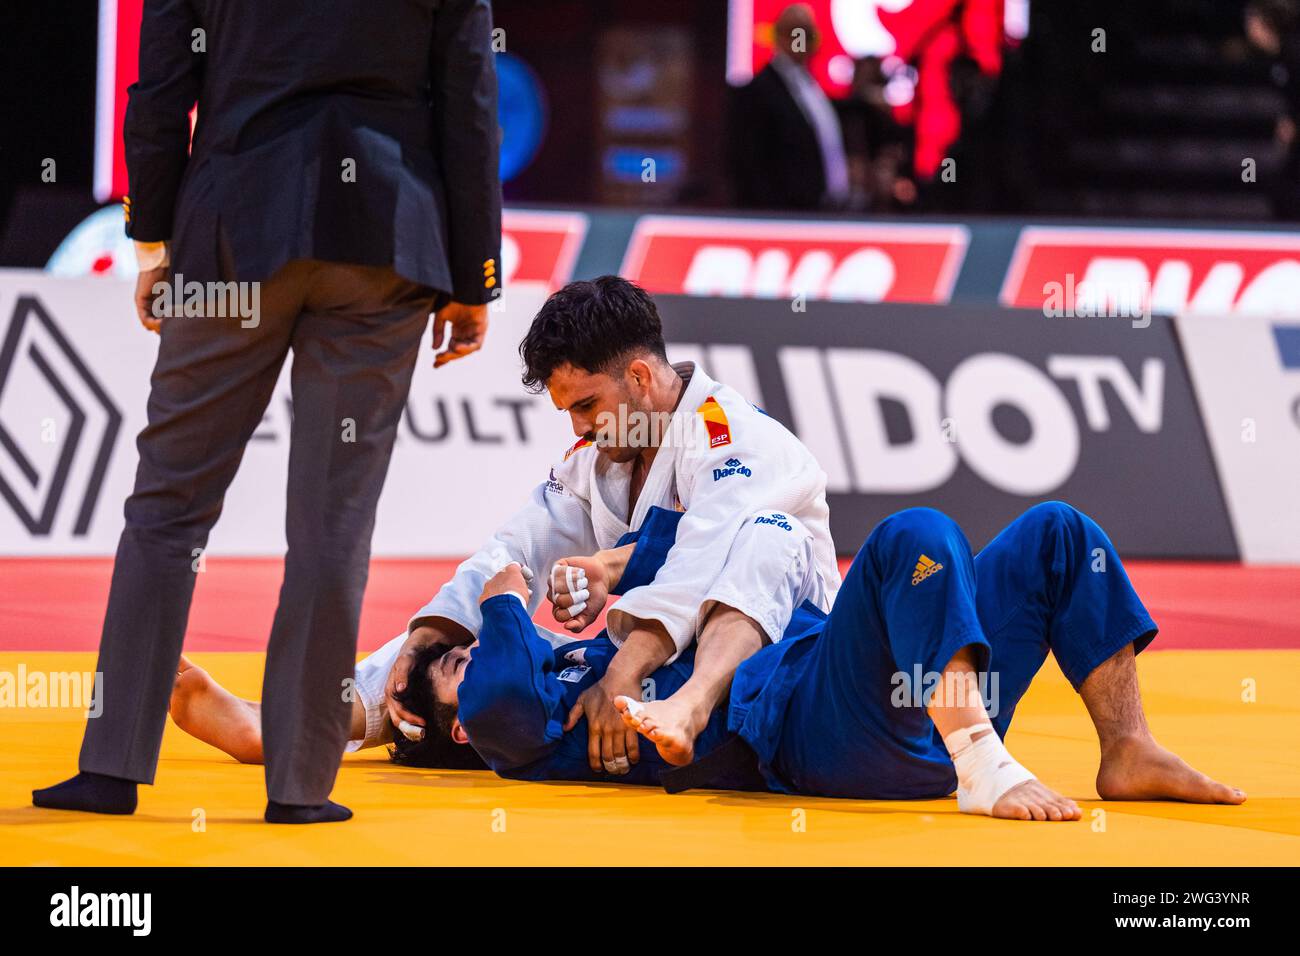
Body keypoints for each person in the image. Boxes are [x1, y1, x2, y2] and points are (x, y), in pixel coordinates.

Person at [34, 0, 502, 824]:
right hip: (384, 240)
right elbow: (469, 99)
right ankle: (299, 784)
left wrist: (152, 241)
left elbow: (159, 90)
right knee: (334, 520)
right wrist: (474, 274)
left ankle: (109, 768)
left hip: (232, 234)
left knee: (167, 508)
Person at [390, 503, 1245, 821]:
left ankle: (1126, 748)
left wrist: (617, 564)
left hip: (876, 691)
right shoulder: (520, 731)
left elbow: (697, 551)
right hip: (812, 732)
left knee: (1059, 535)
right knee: (913, 538)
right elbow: (496, 687)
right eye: (460, 666)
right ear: (462, 727)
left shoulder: (584, 657)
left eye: (470, 652)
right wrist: (502, 590)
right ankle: (980, 760)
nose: (488, 653)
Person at [381, 276, 841, 777]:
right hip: (665, 663)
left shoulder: (735, 439)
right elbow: (515, 551)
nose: (578, 428)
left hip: (776, 656)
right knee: (443, 662)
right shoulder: (601, 458)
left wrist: (622, 676)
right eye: (568, 411)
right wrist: (428, 634)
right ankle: (336, 717)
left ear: (640, 378)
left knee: (753, 541)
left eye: (585, 405)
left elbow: (696, 569)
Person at [167, 503, 827, 783]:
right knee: (448, 650)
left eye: (588, 409)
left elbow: (706, 545)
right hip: (674, 668)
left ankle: (298, 729)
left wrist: (600, 577)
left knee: (477, 643)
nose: (580, 427)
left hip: (750, 621)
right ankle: (295, 725)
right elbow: (511, 568)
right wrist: (573, 579)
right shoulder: (510, 710)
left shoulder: (719, 454)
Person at [731, 4, 850, 211]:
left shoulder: (812, 87)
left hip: (823, 209)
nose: (801, 42)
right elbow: (748, 162)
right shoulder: (758, 91)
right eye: (796, 34)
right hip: (784, 213)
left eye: (807, 35)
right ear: (779, 36)